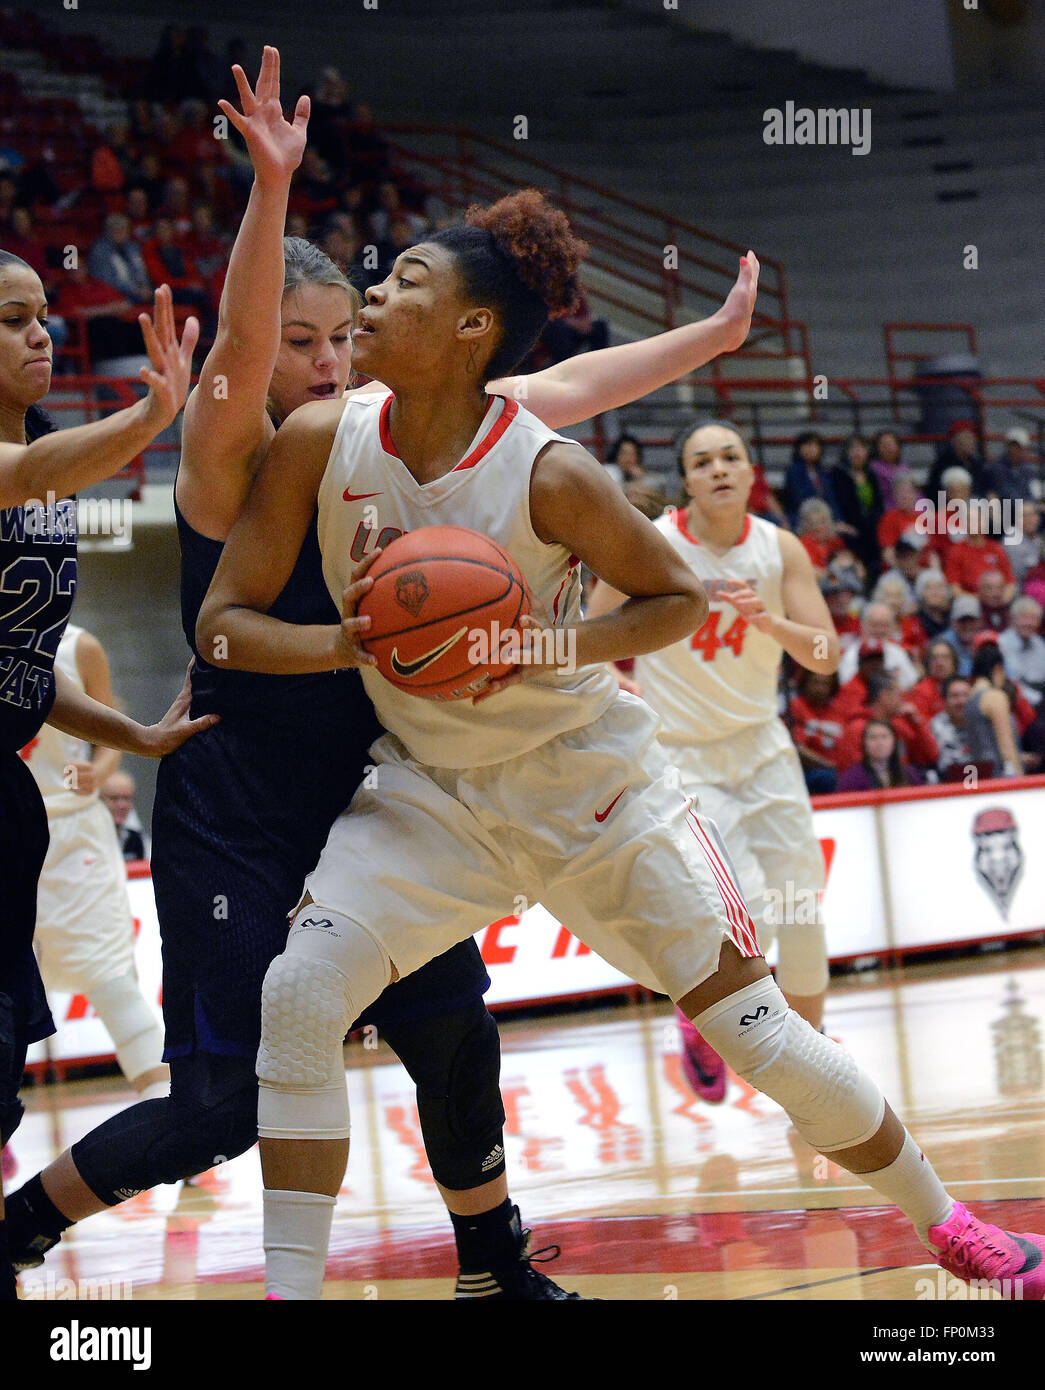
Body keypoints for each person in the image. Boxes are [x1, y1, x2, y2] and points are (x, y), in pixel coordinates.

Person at [5, 50, 767, 1300]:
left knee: (453, 1030)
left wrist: (716, 334)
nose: (322, 362)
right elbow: (241, 350)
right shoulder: (233, 451)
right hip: (238, 802)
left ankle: (492, 1269)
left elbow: (565, 385)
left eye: (335, 340)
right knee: (217, 1111)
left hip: (374, 794)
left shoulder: (389, 431)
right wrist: (270, 192)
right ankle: (22, 1225)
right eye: (300, 344)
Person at [198, 193, 1043, 1302]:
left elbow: (677, 598)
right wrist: (349, 641)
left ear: (470, 329)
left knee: (759, 1032)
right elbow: (223, 624)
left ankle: (951, 1224)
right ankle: (288, 1296)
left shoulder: (547, 470)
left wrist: (537, 638)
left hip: (598, 787)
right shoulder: (323, 437)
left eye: (405, 279)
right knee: (300, 994)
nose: (373, 292)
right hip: (434, 792)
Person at [0, 255, 208, 1301]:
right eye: (14, 319)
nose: (41, 336)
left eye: (45, 316)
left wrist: (129, 731)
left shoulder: (43, 469)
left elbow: (26, 669)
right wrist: (151, 415)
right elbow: (25, 479)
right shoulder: (32, 473)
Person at [589, 419, 837, 1093]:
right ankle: (700, 1018)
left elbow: (825, 654)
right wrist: (627, 687)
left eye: (731, 456)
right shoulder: (656, 543)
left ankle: (813, 1078)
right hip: (683, 758)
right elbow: (588, 632)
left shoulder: (778, 548)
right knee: (746, 909)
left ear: (752, 471)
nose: (719, 468)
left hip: (763, 750)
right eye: (703, 461)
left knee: (802, 915)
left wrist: (770, 623)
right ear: (687, 480)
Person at [21, 626, 168, 1097]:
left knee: (111, 977)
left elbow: (110, 731)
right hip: (11, 825)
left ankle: (168, 1114)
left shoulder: (78, 645)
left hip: (73, 831)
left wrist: (99, 771)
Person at [835, 671, 939, 776]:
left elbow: (930, 756)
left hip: (902, 785)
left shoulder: (899, 725)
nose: (903, 699)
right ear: (884, 696)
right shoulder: (857, 729)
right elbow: (852, 775)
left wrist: (916, 723)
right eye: (899, 694)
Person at [963, 641, 1024, 780]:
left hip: (978, 775)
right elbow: (1006, 744)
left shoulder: (970, 697)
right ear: (998, 669)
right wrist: (1020, 780)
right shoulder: (995, 697)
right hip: (999, 777)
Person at [828, 432, 882, 580]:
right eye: (852, 448)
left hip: (869, 527)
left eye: (861, 448)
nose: (857, 452)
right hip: (847, 526)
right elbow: (833, 501)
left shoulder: (871, 475)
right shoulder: (838, 474)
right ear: (846, 452)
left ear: (867, 452)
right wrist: (840, 523)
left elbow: (878, 504)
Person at [788, 669, 846, 794]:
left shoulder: (839, 709)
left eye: (825, 684)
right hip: (808, 772)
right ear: (805, 683)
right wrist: (827, 765)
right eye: (815, 682)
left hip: (838, 770)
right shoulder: (796, 706)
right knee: (827, 777)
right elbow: (797, 747)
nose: (820, 689)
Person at [836, 603, 919, 689]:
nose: (880, 630)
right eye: (874, 625)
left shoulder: (898, 652)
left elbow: (911, 684)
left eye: (885, 625)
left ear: (893, 627)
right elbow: (846, 687)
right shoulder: (851, 654)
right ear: (862, 625)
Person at [837, 720, 923, 791]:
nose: (880, 743)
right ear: (864, 744)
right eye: (873, 737)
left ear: (894, 742)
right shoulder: (852, 778)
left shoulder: (910, 774)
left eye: (884, 737)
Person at [999, 596, 1045, 708]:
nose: (1029, 623)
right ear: (1013, 620)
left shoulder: (1039, 643)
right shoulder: (1002, 643)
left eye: (1033, 618)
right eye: (1024, 618)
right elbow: (1012, 680)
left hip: (1039, 697)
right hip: (1014, 701)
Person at [931, 675, 974, 781]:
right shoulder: (935, 726)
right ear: (944, 700)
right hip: (947, 787)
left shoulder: (980, 723)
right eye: (955, 696)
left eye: (966, 695)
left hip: (983, 784)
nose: (961, 701)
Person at [100, 771, 150, 861]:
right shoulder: (85, 840)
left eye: (127, 799)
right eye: (114, 798)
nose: (122, 805)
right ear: (99, 800)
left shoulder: (138, 841)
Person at [908, 637, 960, 720]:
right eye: (934, 658)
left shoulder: (963, 686)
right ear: (928, 663)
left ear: (954, 662)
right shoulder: (921, 690)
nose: (939, 663)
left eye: (945, 657)